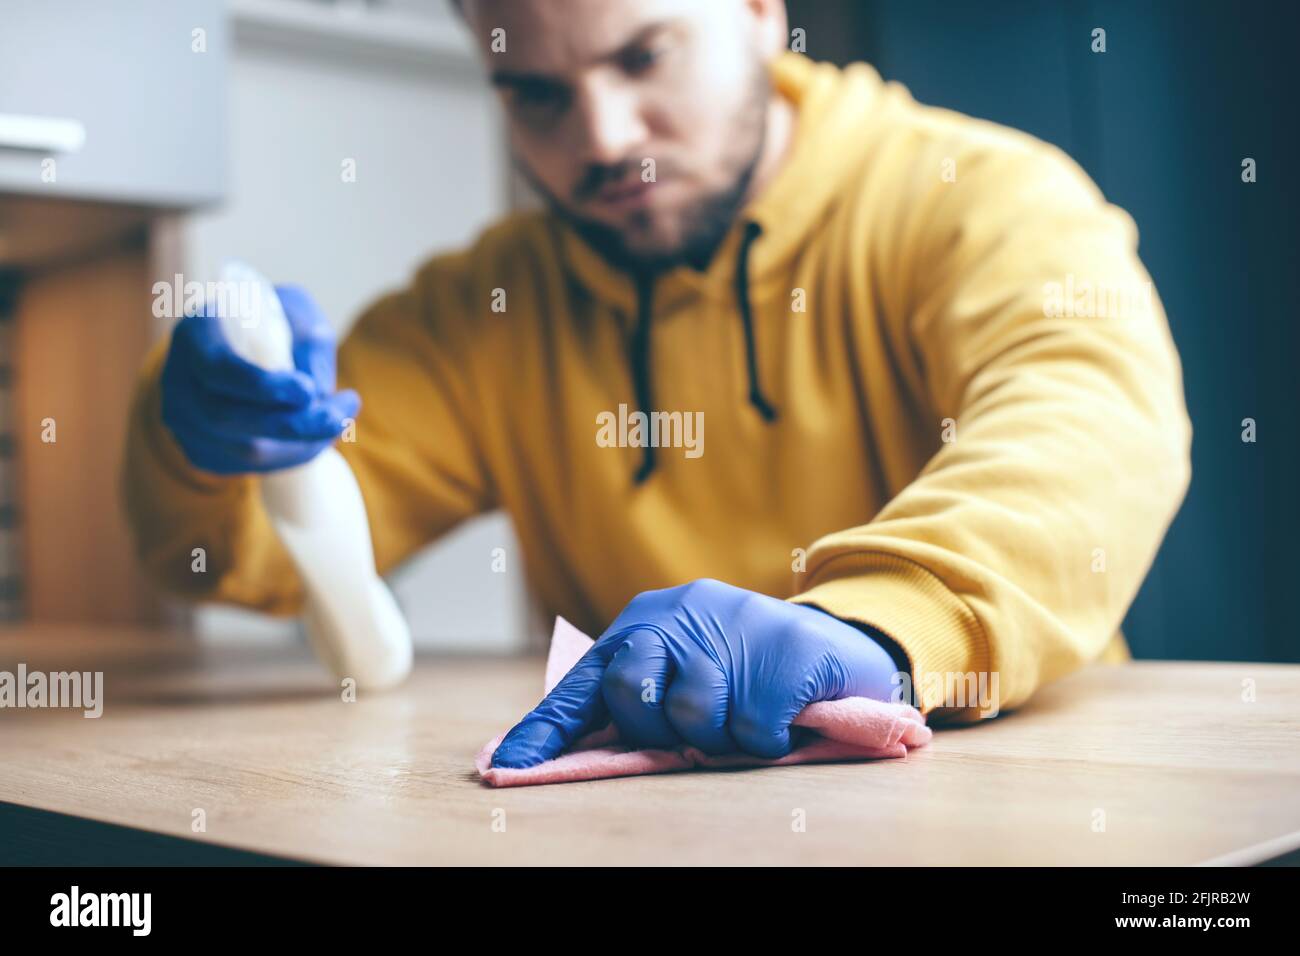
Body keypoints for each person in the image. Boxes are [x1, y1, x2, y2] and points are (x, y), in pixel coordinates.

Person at [121, 0, 1191, 769]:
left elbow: (1089, 426)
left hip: (997, 791)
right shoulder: (482, 309)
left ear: (760, 13)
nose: (601, 138)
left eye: (642, 58)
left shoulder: (979, 199)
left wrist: (880, 631)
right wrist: (207, 441)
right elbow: (239, 564)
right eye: (535, 93)